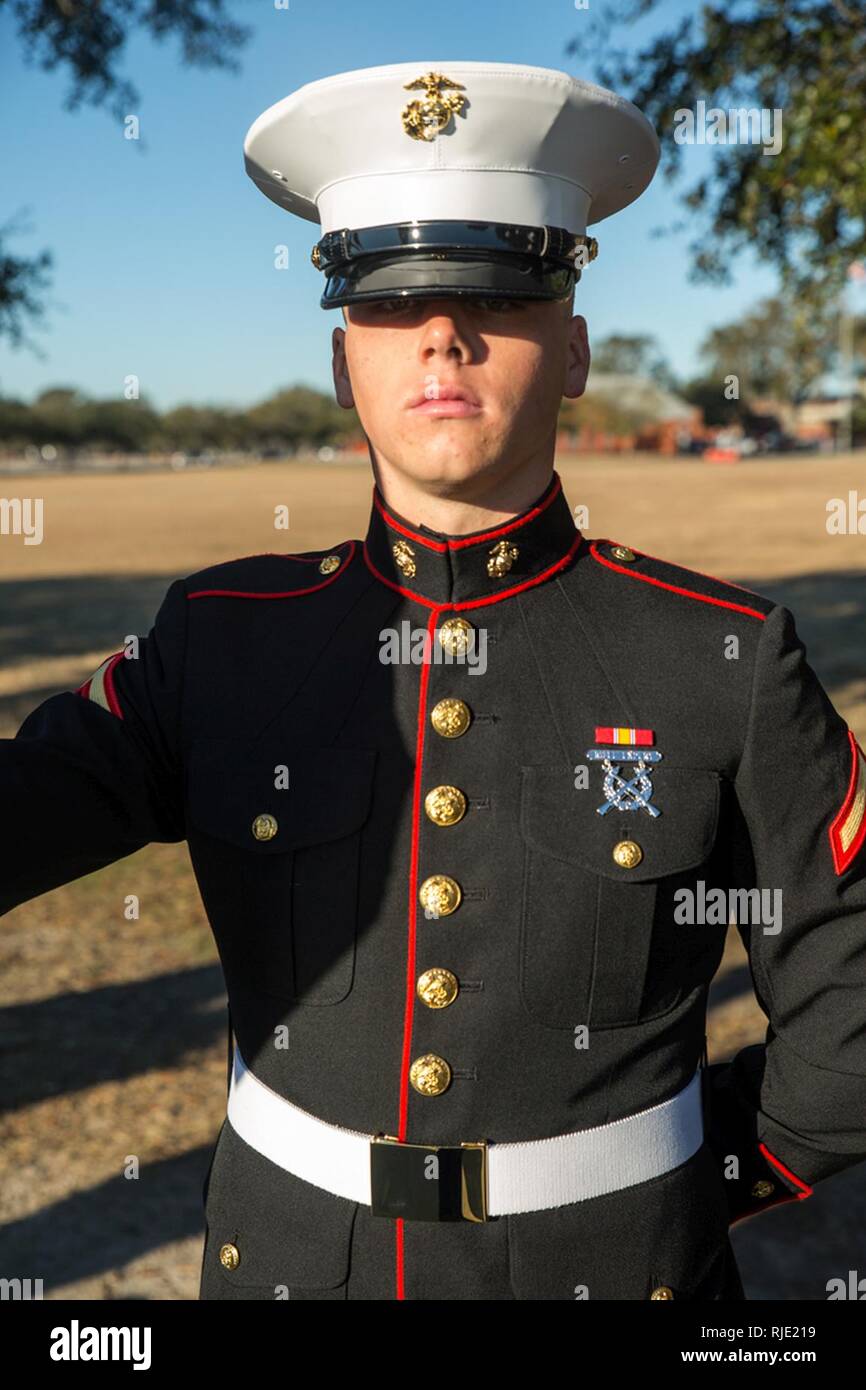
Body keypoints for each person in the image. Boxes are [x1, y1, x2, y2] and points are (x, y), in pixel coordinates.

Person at [4, 60, 866, 1301]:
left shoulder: (718, 654)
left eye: (498, 295)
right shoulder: (223, 637)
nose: (443, 336)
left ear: (571, 348)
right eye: (390, 301)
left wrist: (676, 1173)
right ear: (341, 360)